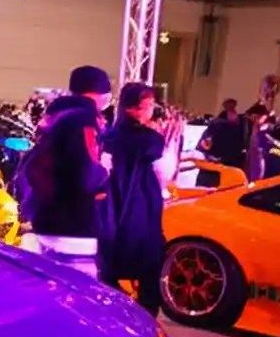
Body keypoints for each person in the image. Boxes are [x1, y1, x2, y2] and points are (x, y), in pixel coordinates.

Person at [15, 65, 112, 275]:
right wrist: (105, 174)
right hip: (74, 225)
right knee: (78, 298)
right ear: (99, 92)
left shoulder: (55, 117)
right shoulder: (84, 121)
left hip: (46, 219)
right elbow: (88, 175)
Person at [101, 83, 167, 316]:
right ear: (133, 108)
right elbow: (163, 173)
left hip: (113, 199)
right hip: (141, 201)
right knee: (149, 257)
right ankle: (146, 315)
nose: (152, 110)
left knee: (110, 255)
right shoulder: (151, 140)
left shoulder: (108, 135)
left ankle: (113, 305)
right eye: (148, 105)